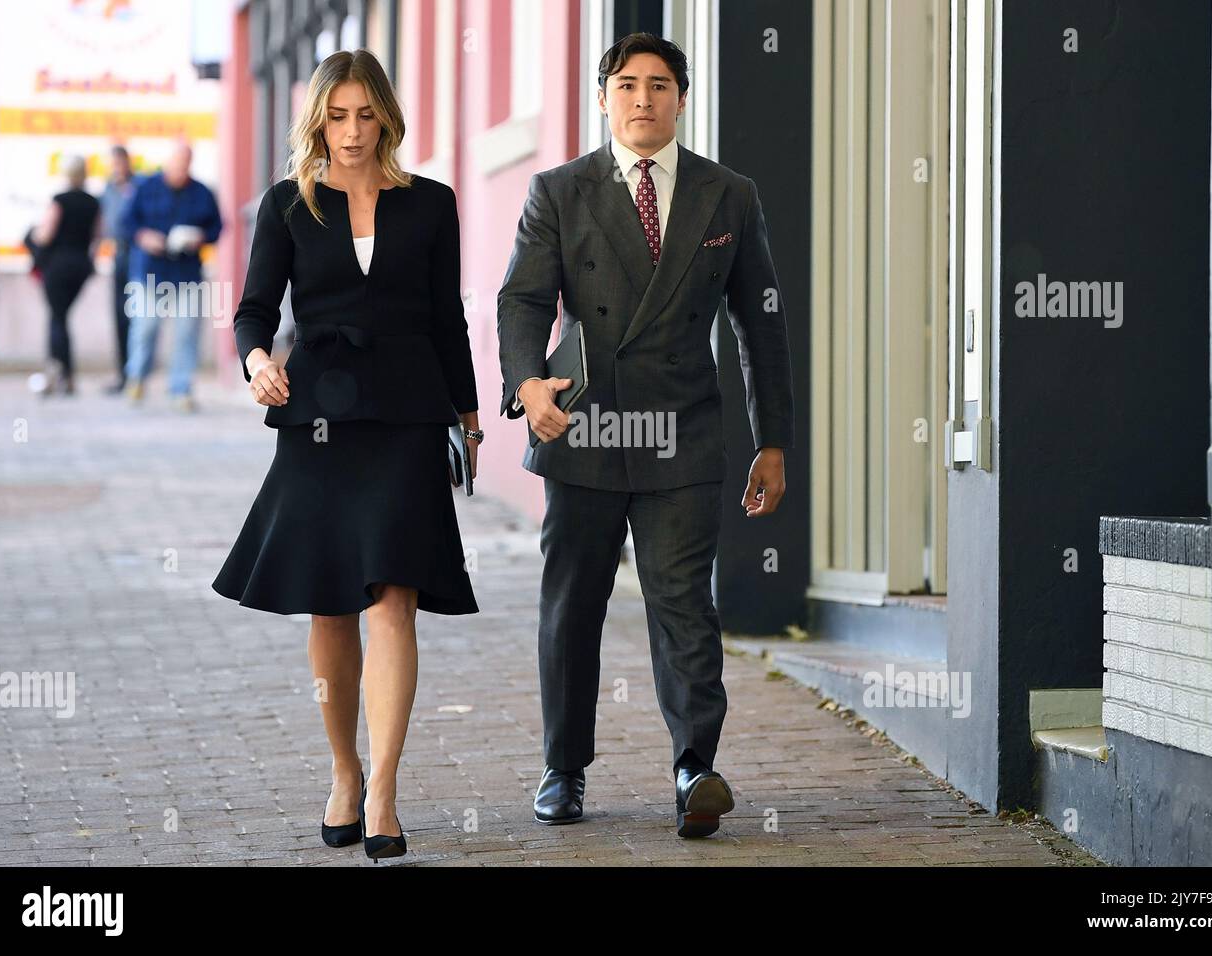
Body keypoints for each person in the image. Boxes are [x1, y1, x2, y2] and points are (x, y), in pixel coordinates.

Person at [497, 32, 794, 838]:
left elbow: (758, 324)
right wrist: (527, 384)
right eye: (626, 84)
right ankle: (564, 769)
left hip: (682, 433)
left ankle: (695, 766)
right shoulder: (559, 191)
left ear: (681, 99)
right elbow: (522, 302)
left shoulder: (726, 193)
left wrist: (774, 439)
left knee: (684, 604)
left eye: (659, 85)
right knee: (572, 606)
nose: (642, 99)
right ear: (603, 98)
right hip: (584, 424)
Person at [210, 49, 482, 862]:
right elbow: (255, 312)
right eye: (339, 116)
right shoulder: (289, 207)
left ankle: (387, 791)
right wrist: (259, 364)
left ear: (387, 118)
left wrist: (466, 418)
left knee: (393, 595)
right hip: (317, 416)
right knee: (331, 601)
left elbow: (447, 320)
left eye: (367, 115)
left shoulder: (431, 204)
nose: (354, 131)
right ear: (317, 120)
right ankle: (343, 771)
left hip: (405, 412)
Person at [119, 139, 223, 411]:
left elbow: (217, 227)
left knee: (187, 333)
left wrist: (199, 237)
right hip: (150, 272)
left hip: (186, 272)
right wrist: (144, 237)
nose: (180, 170)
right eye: (177, 164)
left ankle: (181, 388)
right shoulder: (146, 187)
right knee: (145, 329)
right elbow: (127, 222)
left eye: (185, 165)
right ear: (168, 163)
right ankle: (136, 377)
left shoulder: (201, 192)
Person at [30, 154, 101, 396]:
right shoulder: (93, 202)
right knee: (61, 317)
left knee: (57, 318)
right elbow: (97, 236)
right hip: (81, 265)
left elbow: (45, 234)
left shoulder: (60, 200)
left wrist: (32, 235)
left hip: (58, 266)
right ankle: (65, 375)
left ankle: (59, 372)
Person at [98, 144, 140, 394]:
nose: (116, 168)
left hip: (137, 255)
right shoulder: (108, 189)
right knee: (119, 316)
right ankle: (123, 373)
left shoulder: (138, 187)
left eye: (120, 163)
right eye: (112, 164)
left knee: (137, 315)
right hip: (118, 254)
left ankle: (136, 373)